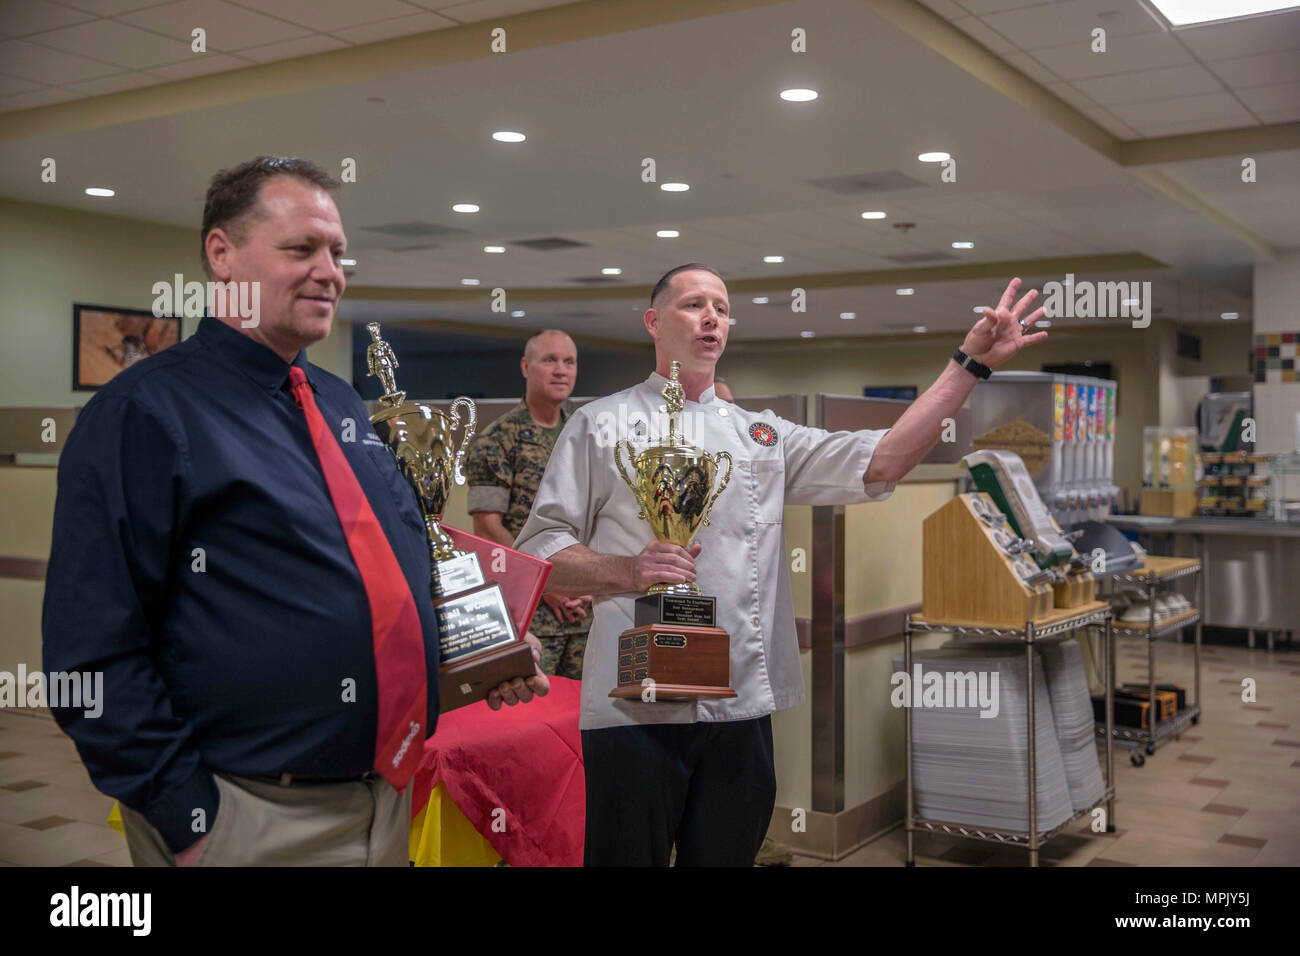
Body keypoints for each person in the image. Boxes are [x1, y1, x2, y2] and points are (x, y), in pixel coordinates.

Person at [42, 156, 548, 868]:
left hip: (388, 795)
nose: (330, 272)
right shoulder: (144, 414)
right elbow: (88, 654)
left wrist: (479, 655)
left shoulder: (339, 402)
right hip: (250, 817)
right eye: (301, 249)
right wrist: (189, 822)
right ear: (222, 254)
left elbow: (391, 574)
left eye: (338, 252)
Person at [513, 262, 1046, 866]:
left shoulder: (760, 436)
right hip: (635, 706)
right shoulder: (599, 423)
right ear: (654, 323)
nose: (712, 316)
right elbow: (539, 551)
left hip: (739, 705)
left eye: (721, 305)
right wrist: (628, 571)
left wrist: (968, 366)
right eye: (693, 304)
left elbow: (884, 460)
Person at [466, 330, 592, 679]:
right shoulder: (498, 439)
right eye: (549, 360)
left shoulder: (585, 437)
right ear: (526, 366)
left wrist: (589, 585)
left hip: (585, 612)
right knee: (536, 715)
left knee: (585, 720)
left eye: (569, 362)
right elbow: (487, 528)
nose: (560, 371)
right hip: (531, 613)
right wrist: (548, 584)